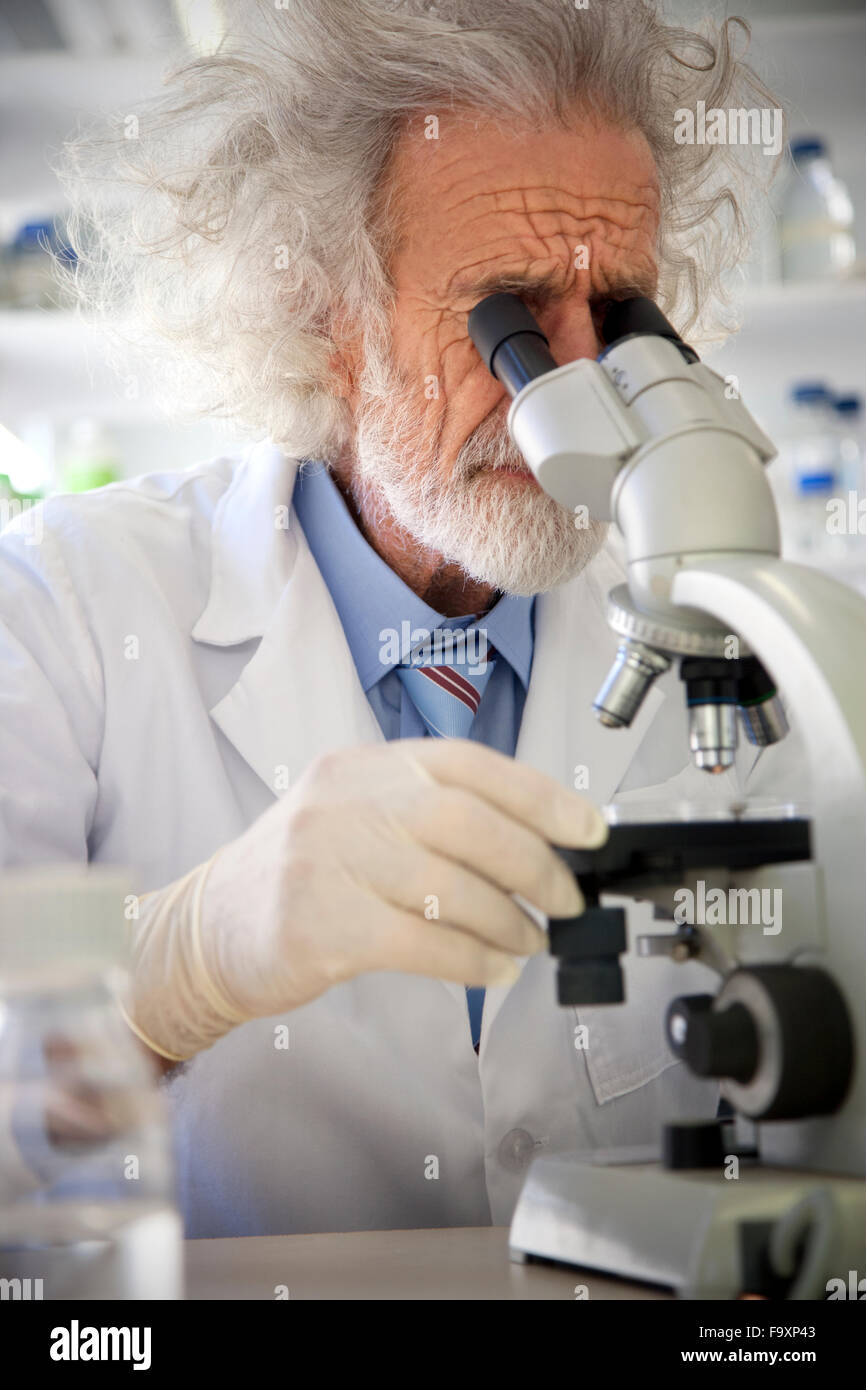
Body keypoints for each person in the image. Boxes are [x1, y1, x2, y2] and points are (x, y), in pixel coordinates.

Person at [0, 0, 792, 1236]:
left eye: (622, 312)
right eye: (511, 315)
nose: (577, 387)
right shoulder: (65, 608)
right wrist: (173, 966)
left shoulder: (714, 627)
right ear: (327, 326)